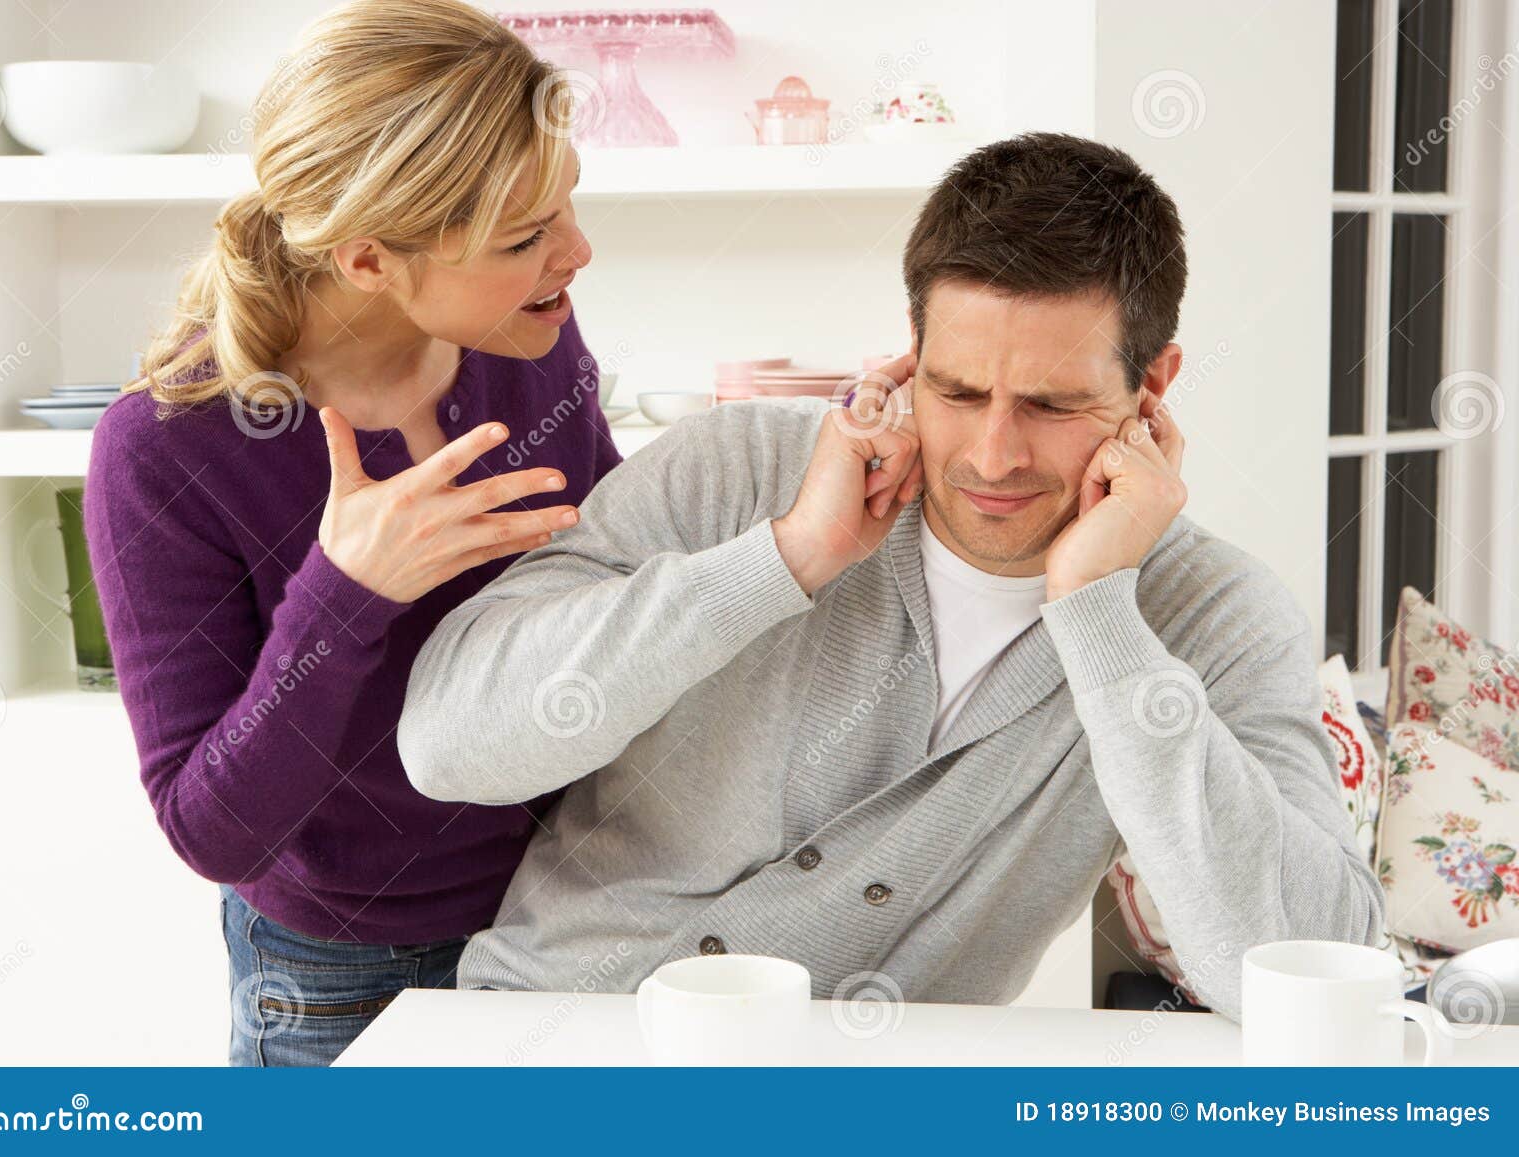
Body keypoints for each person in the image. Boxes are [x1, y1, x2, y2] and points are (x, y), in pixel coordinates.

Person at [396, 133, 1384, 1020]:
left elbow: (1297, 966)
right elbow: (450, 746)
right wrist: (785, 557)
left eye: (1050, 403)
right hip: (542, 1045)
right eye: (955, 390)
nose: (993, 456)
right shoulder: (732, 468)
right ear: (909, 358)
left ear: (1152, 387)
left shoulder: (1213, 612)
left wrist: (1098, 615)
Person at [85, 0, 615, 1065]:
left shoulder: (525, 341)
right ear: (370, 260)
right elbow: (211, 828)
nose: (578, 251)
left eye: (564, 207)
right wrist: (346, 590)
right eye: (523, 238)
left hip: (574, 914)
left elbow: (609, 590)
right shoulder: (165, 445)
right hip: (338, 975)